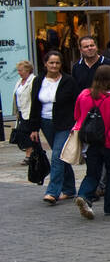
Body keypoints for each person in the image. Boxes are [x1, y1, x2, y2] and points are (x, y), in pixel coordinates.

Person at [73, 64, 110, 219]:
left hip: (90, 141)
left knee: (92, 173)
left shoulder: (84, 95)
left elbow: (77, 115)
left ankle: (84, 196)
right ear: (109, 80)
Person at [31, 51, 78, 203]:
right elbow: (35, 104)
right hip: (46, 122)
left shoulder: (68, 80)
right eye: (51, 63)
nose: (54, 66)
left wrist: (77, 122)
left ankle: (52, 192)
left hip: (65, 123)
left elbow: (76, 102)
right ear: (45, 64)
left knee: (57, 156)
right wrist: (33, 128)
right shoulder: (38, 80)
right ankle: (70, 189)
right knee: (62, 157)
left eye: (57, 63)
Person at [10, 59, 37, 160]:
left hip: (30, 111)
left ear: (27, 70)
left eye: (21, 70)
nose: (19, 72)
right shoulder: (19, 82)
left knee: (27, 133)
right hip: (21, 112)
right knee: (23, 133)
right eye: (18, 70)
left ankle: (29, 155)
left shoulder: (33, 80)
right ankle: (32, 153)